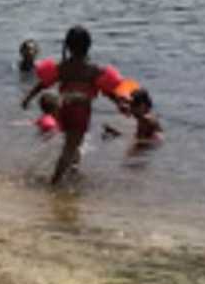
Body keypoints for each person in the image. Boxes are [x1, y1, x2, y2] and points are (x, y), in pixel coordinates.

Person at [21, 25, 131, 186]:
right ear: (89, 45)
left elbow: (43, 84)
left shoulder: (63, 68)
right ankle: (55, 182)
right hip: (80, 111)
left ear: (68, 46)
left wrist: (28, 98)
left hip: (63, 108)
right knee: (70, 147)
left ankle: (73, 172)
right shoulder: (93, 70)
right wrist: (120, 104)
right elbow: (107, 91)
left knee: (73, 142)